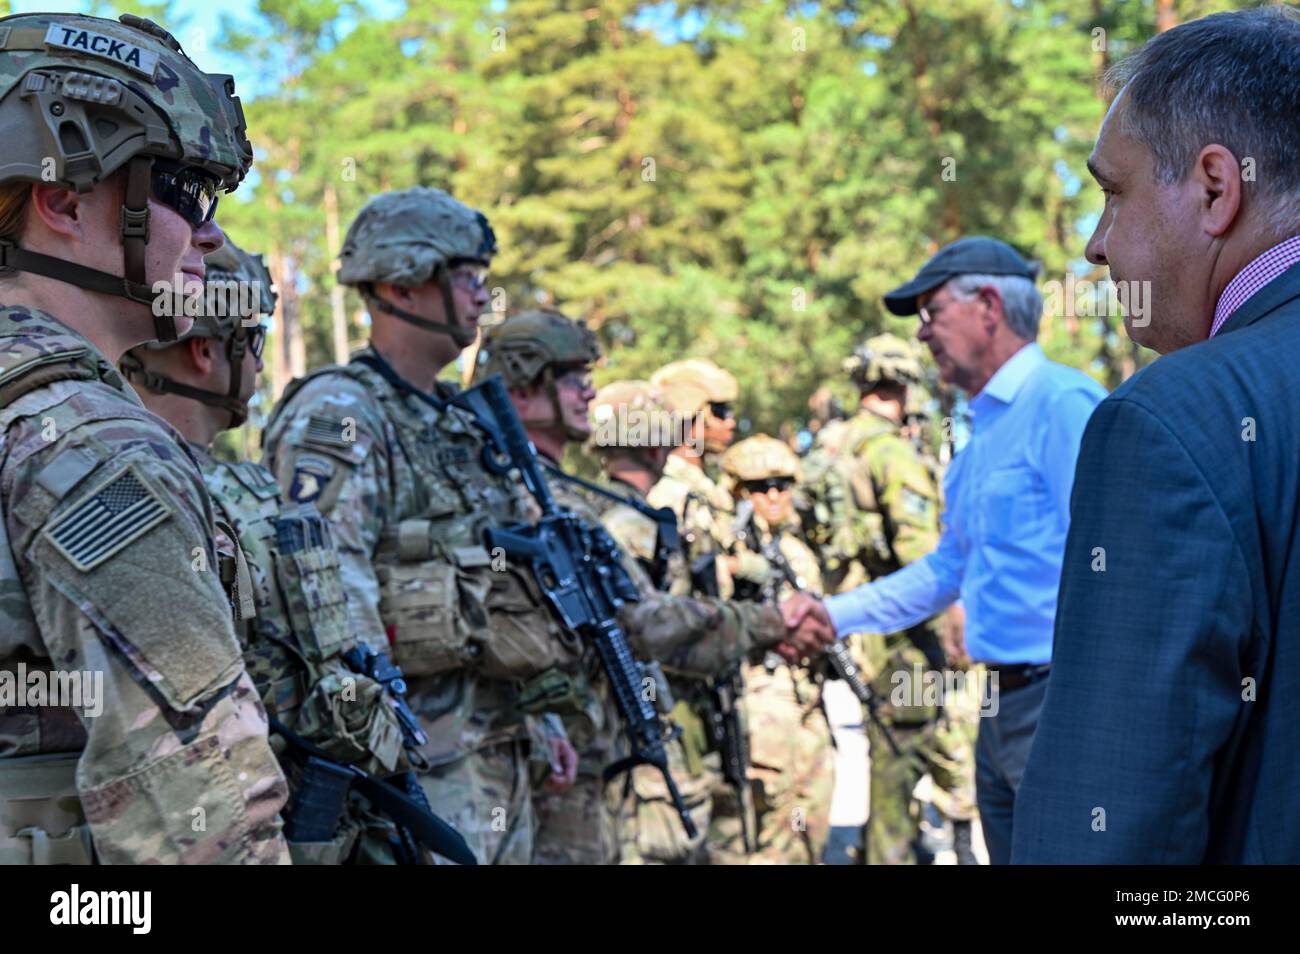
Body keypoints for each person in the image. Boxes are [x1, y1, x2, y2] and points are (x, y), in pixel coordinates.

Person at [0, 11, 288, 865]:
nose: (211, 234)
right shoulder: (91, 446)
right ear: (61, 198)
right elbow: (202, 826)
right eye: (185, 191)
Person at [1014, 6, 1300, 864]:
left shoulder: (1172, 419)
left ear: (1216, 188)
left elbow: (1111, 828)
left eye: (1111, 191)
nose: (1097, 247)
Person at [262, 187, 577, 865]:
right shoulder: (341, 412)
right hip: (420, 765)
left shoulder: (459, 422)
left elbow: (510, 588)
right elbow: (326, 591)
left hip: (499, 747)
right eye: (466, 279)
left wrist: (540, 713)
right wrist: (383, 751)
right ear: (401, 283)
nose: (480, 299)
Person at [783, 236, 1106, 864]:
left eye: (933, 314)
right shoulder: (980, 436)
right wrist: (833, 615)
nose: (924, 335)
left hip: (1063, 706)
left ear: (988, 305)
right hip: (1003, 705)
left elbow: (1115, 566)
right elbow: (947, 568)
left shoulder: (1062, 407)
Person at [474, 310, 828, 863]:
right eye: (573, 377)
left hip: (573, 745)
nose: (587, 392)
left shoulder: (564, 502)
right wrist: (771, 623)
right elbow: (644, 621)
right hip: (553, 754)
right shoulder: (553, 506)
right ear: (523, 389)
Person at [120, 236, 420, 864]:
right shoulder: (159, 495)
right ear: (206, 352)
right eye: (253, 343)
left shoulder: (243, 485)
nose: (259, 365)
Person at [718, 434, 834, 864]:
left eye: (783, 485)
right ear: (739, 493)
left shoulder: (797, 552)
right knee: (766, 821)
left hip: (807, 699)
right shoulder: (726, 549)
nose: (774, 495)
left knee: (810, 816)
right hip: (761, 696)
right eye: (761, 487)